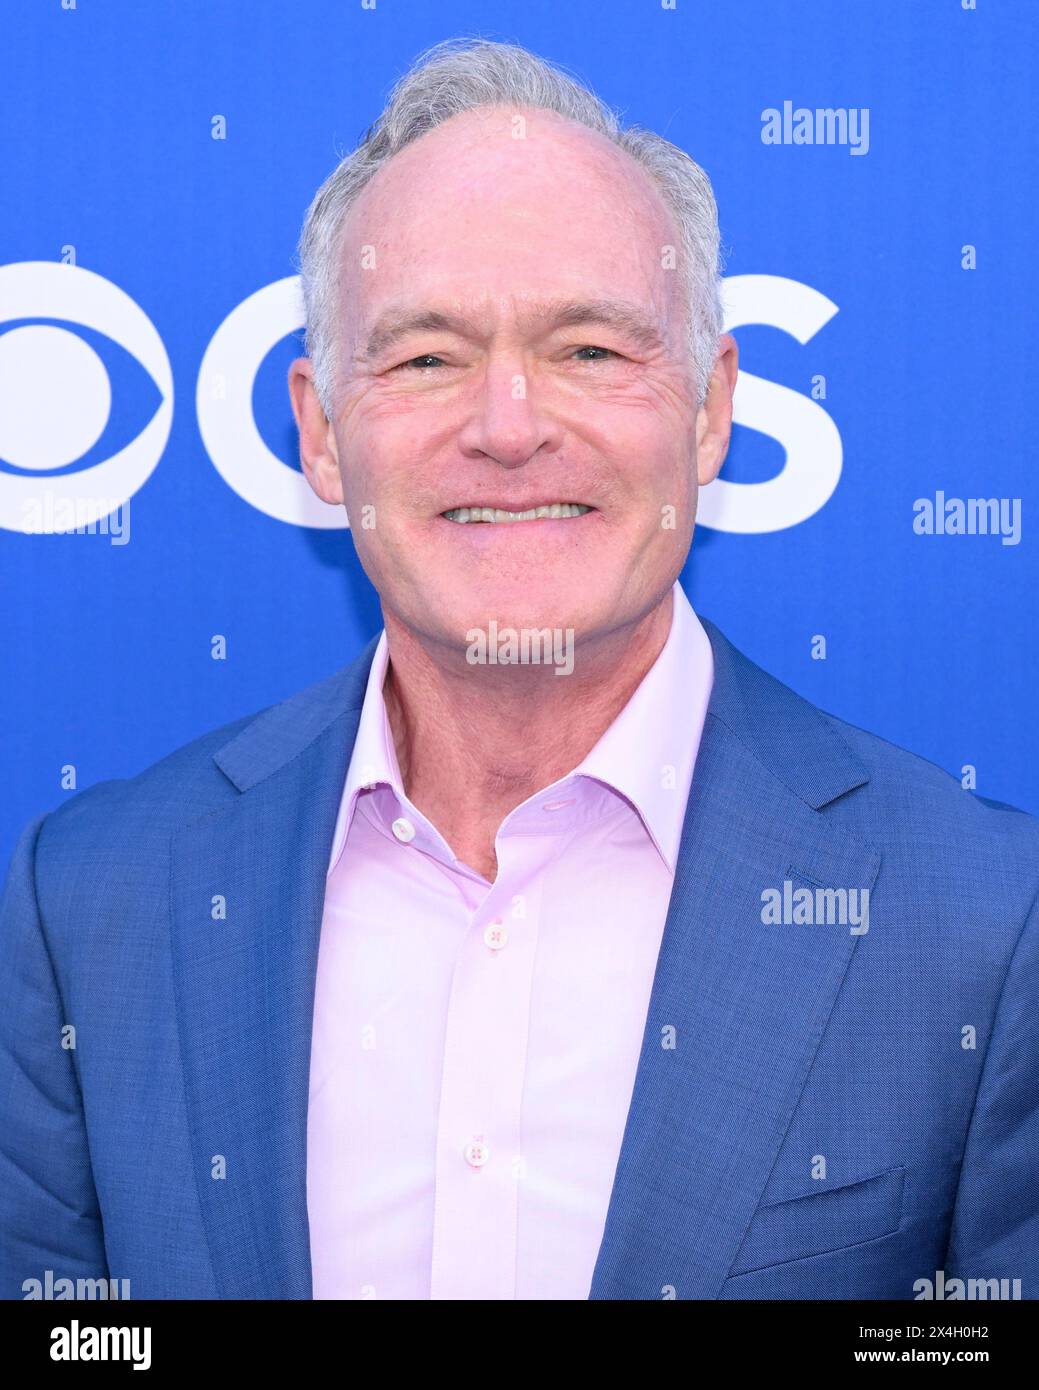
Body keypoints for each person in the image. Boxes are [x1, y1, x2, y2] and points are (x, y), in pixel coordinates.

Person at [2, 37, 1036, 1302]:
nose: (508, 426)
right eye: (426, 355)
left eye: (592, 350)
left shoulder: (984, 921)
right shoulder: (92, 900)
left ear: (710, 411)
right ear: (322, 433)